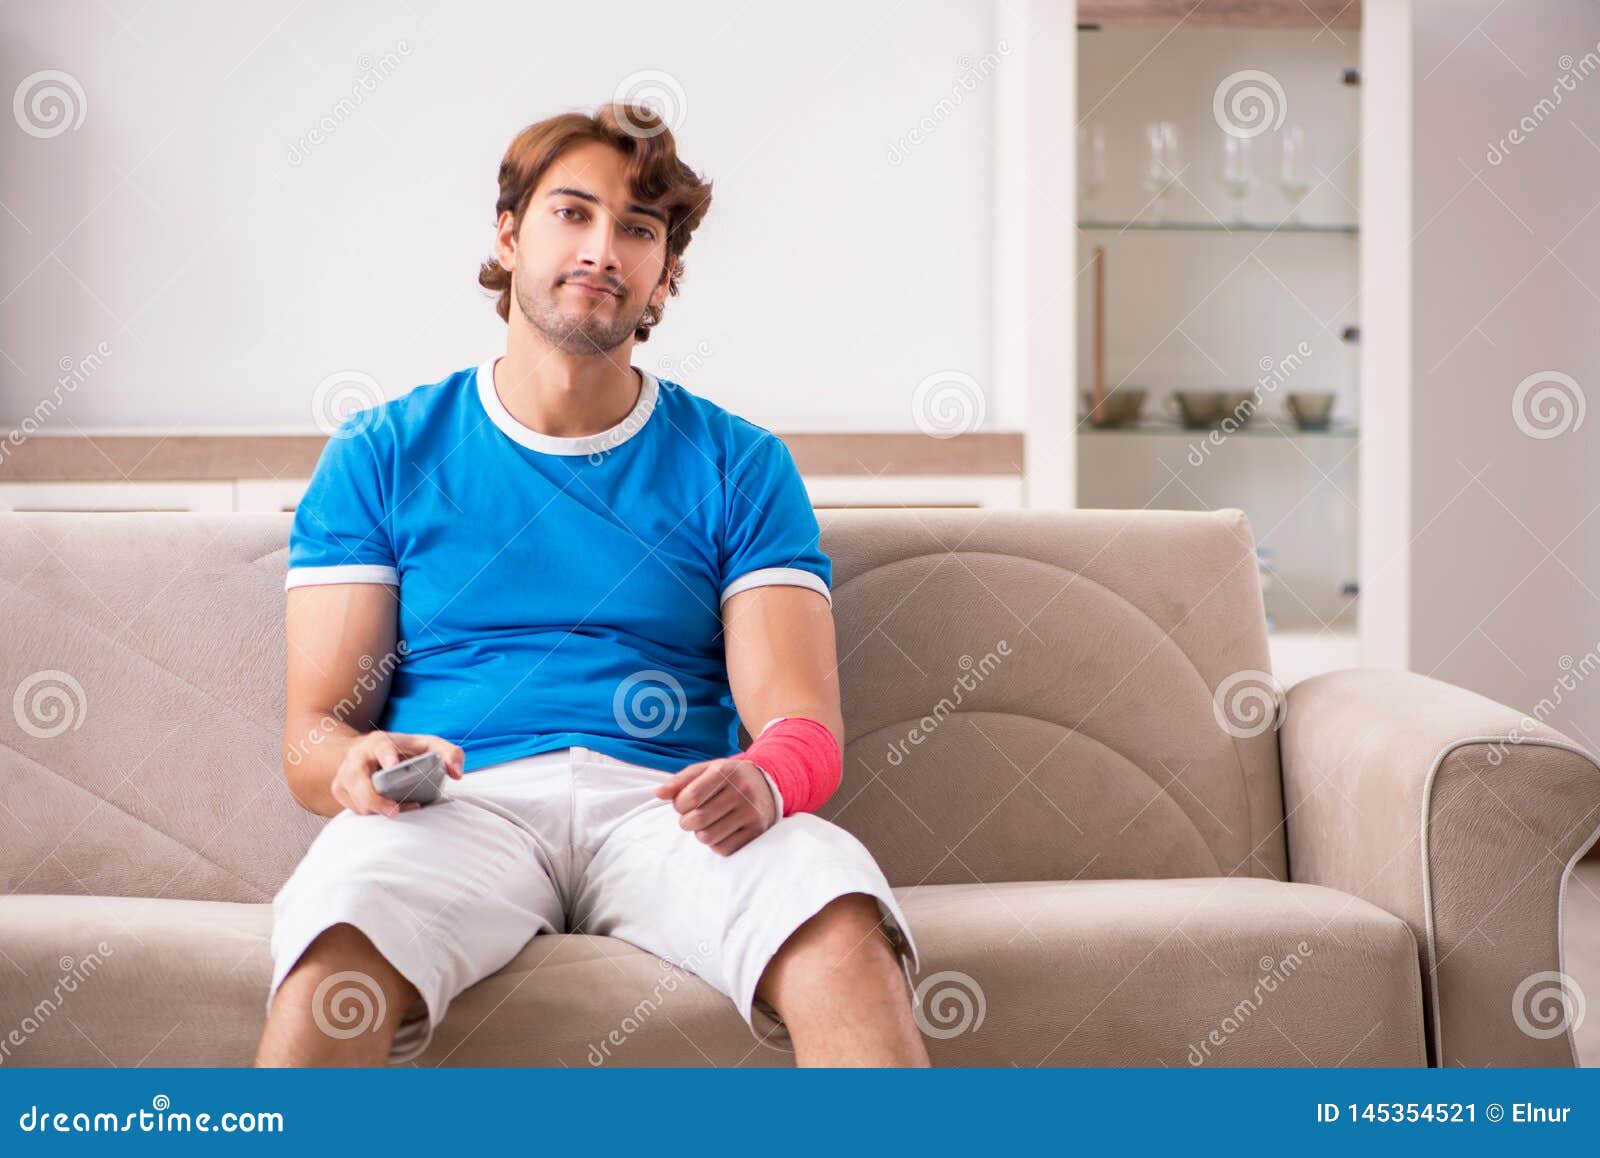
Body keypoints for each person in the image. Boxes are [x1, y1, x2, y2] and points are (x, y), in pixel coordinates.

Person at [254, 103, 927, 1068]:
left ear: (664, 272)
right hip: (456, 805)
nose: (603, 248)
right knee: (334, 955)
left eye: (639, 231)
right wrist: (352, 766)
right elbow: (312, 734)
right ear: (509, 234)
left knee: (842, 926)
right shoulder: (382, 453)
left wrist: (766, 779)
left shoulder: (741, 462)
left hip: (671, 807)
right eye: (572, 214)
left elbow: (805, 728)